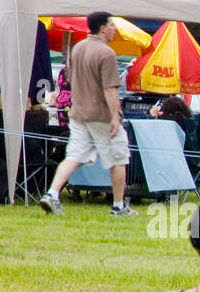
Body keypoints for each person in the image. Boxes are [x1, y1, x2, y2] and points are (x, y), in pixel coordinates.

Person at [39, 11, 138, 217]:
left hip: (77, 112)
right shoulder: (106, 53)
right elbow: (110, 89)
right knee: (119, 157)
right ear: (103, 28)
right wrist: (114, 116)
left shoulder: (79, 48)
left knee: (74, 155)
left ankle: (52, 193)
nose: (114, 29)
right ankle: (119, 206)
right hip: (100, 114)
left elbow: (72, 79)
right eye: (112, 25)